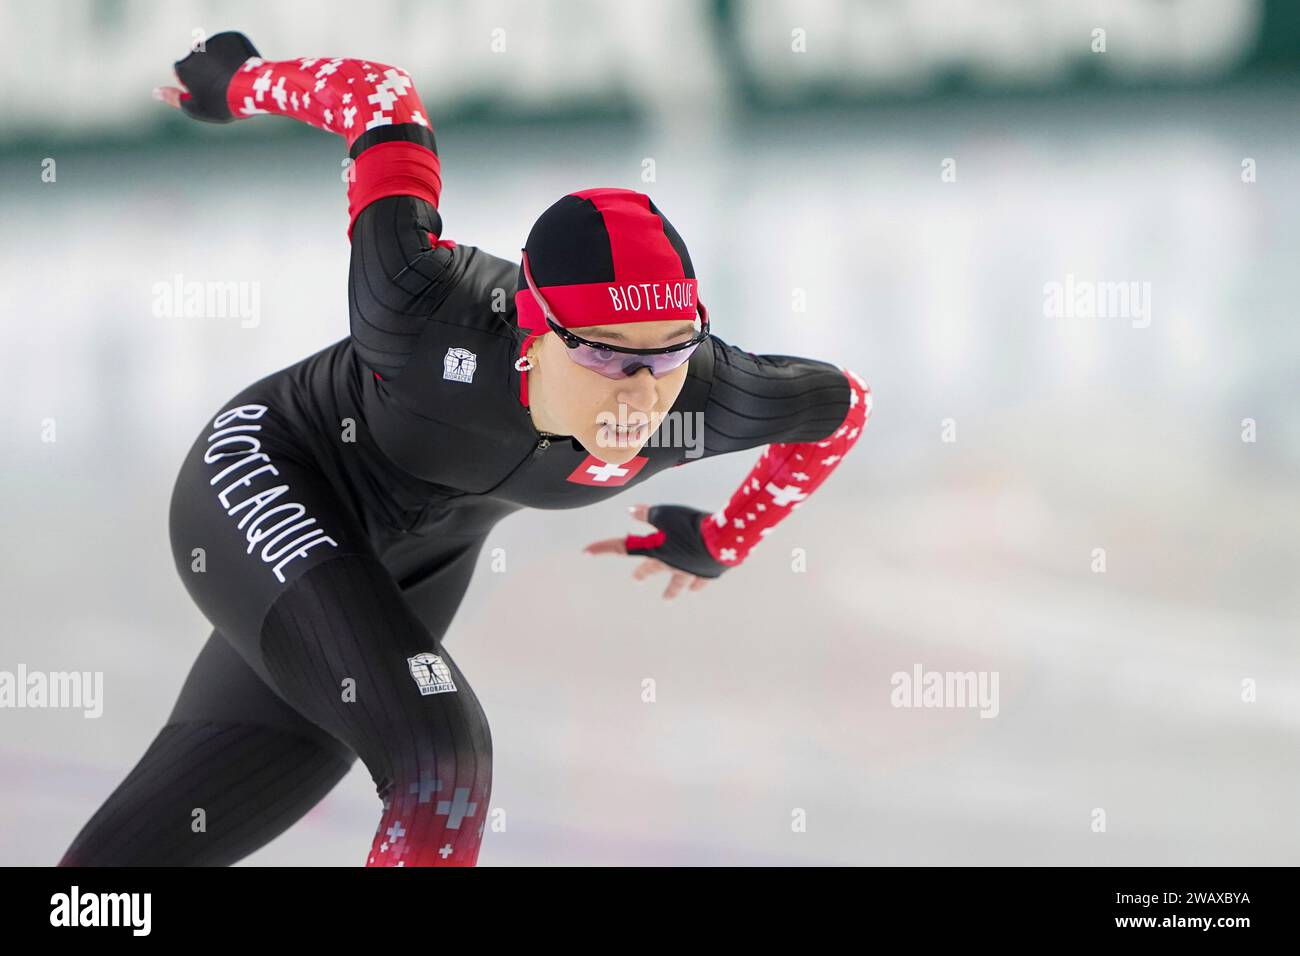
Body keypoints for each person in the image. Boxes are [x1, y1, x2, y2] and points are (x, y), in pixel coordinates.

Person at [56, 31, 872, 867]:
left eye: (668, 351)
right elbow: (380, 98)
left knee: (129, 869)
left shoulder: (702, 394)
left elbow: (844, 410)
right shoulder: (415, 310)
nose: (640, 392)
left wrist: (723, 539)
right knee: (441, 762)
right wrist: (239, 83)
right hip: (273, 475)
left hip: (414, 561)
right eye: (602, 351)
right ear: (531, 327)